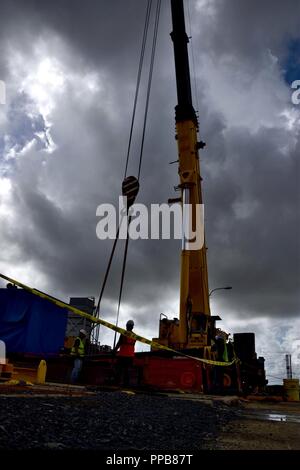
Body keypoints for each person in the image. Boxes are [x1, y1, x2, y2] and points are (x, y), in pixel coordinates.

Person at [113, 320, 136, 386]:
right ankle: (126, 384)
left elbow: (119, 343)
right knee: (127, 370)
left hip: (123, 354)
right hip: (130, 355)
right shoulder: (135, 336)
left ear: (127, 326)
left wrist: (114, 350)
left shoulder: (124, 333)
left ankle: (117, 383)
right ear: (132, 327)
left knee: (119, 369)